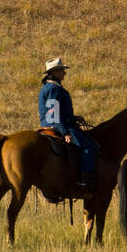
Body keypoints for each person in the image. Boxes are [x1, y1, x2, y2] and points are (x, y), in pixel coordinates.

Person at [37, 57, 97, 192]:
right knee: (88, 147)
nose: (64, 73)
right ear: (53, 73)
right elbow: (54, 116)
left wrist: (74, 117)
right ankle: (85, 182)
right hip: (57, 126)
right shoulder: (55, 88)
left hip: (50, 124)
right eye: (61, 70)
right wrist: (66, 132)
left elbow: (53, 111)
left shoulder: (47, 87)